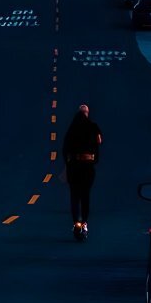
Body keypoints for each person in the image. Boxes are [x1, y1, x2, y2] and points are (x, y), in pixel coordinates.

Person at [63, 102, 102, 240]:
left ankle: (76, 223)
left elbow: (65, 148)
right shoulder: (93, 127)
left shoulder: (72, 128)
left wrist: (67, 164)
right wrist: (93, 160)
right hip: (88, 166)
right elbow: (98, 145)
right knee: (85, 195)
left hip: (74, 165)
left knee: (74, 195)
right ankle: (84, 222)